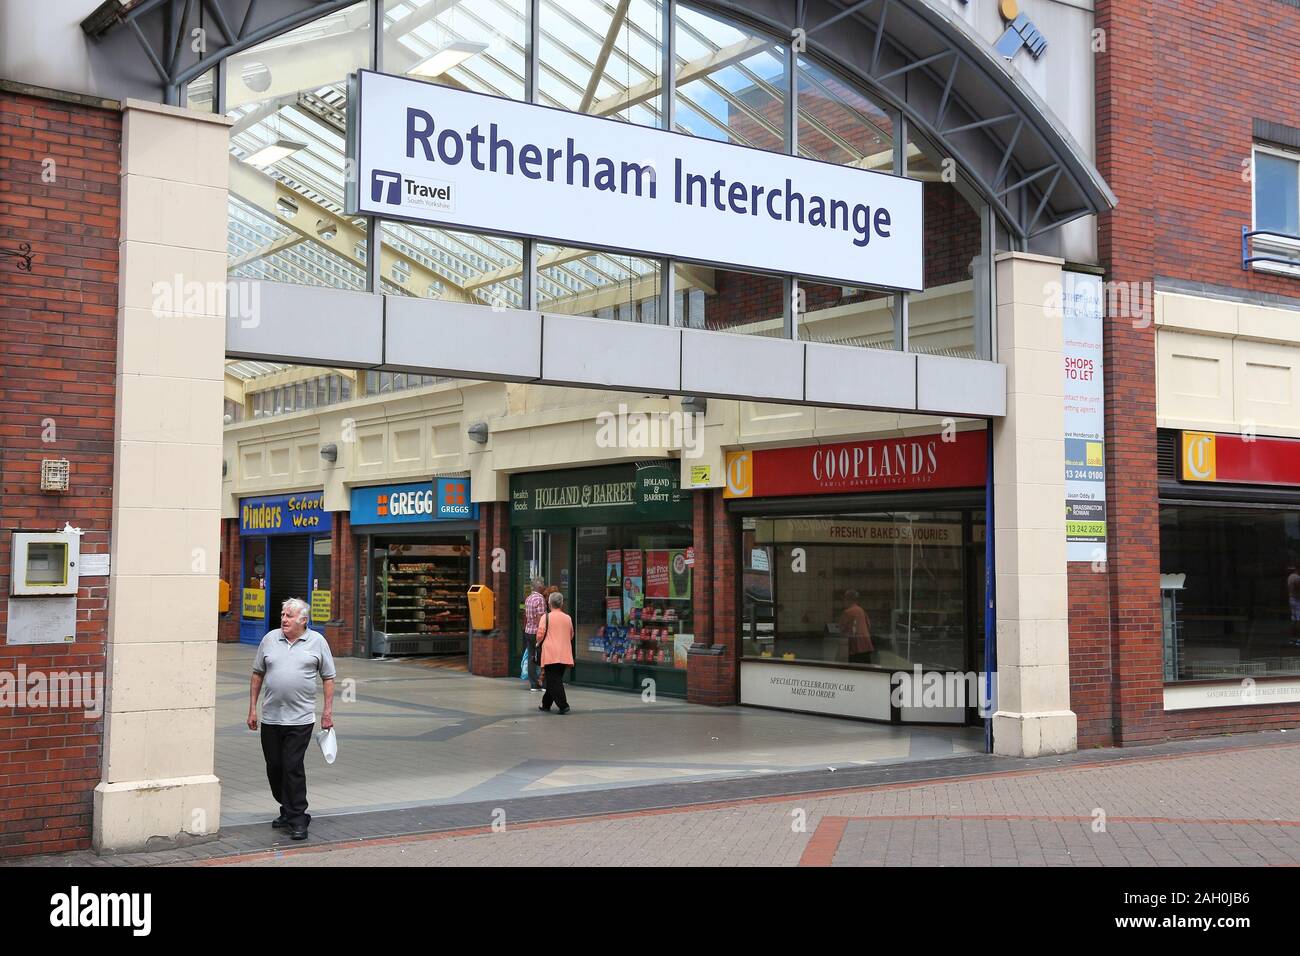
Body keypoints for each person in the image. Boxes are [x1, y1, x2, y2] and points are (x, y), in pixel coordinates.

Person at [247, 597, 336, 841]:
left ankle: (298, 818)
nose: (283, 619)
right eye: (283, 614)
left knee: (292, 767)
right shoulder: (269, 639)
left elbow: (328, 678)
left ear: (303, 620)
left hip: (300, 719)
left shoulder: (317, 642)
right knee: (274, 768)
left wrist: (327, 712)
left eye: (289, 616)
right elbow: (257, 674)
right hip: (272, 718)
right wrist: (252, 709)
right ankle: (286, 808)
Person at [535, 591, 575, 715]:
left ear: (549, 603)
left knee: (554, 680)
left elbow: (540, 634)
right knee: (554, 679)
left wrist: (538, 642)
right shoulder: (567, 618)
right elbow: (571, 634)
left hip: (550, 653)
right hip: (564, 653)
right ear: (561, 604)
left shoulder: (545, 617)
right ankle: (545, 704)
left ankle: (563, 705)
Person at [524, 576, 547, 691]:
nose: (544, 587)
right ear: (539, 586)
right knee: (544, 657)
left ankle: (533, 684)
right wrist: (543, 633)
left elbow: (526, 617)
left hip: (528, 631)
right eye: (543, 585)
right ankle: (543, 683)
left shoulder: (528, 598)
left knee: (532, 658)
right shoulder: (540, 599)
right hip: (537, 633)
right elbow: (540, 618)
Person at [839, 589, 873, 664]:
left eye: (845, 599)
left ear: (848, 599)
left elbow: (841, 629)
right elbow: (869, 625)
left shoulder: (847, 612)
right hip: (866, 646)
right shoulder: (861, 610)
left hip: (856, 648)